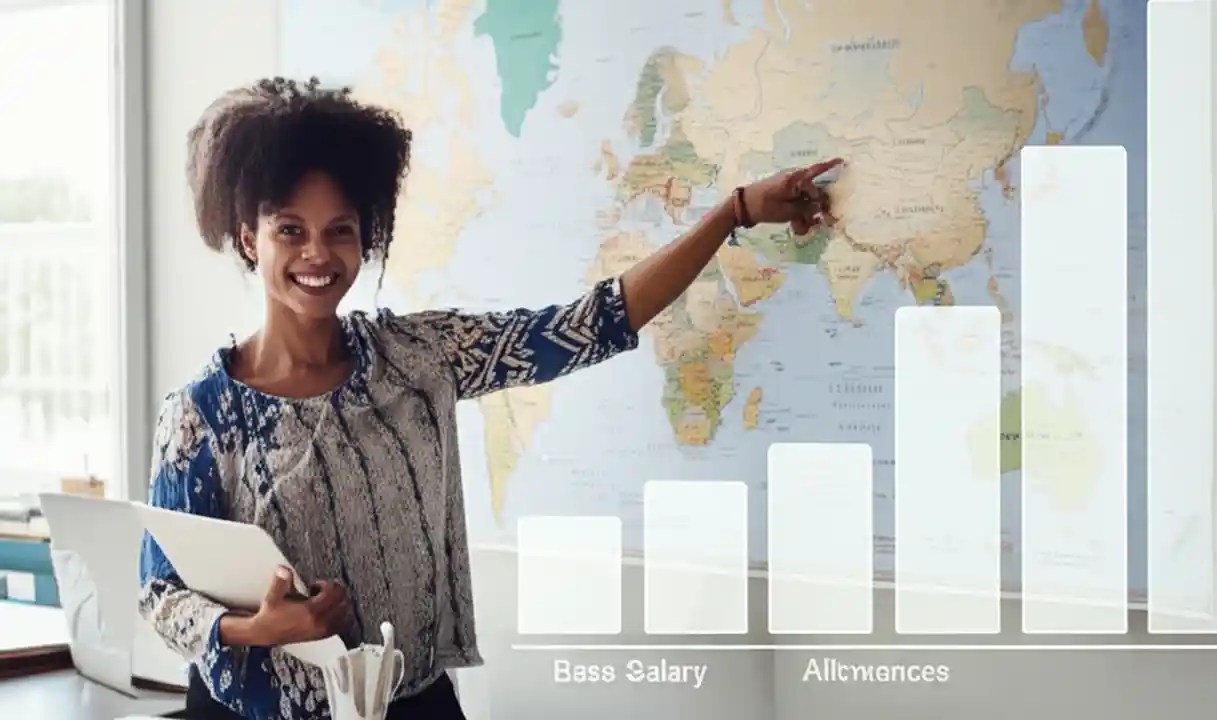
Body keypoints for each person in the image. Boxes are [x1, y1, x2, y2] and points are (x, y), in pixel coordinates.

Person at [138, 76, 841, 720]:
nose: (317, 254)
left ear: (366, 237)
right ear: (247, 239)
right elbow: (159, 594)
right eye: (290, 229)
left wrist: (736, 212)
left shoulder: (419, 358)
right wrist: (257, 629)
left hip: (412, 706)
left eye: (340, 230)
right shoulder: (200, 416)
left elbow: (592, 325)